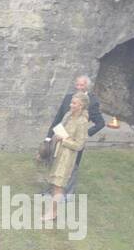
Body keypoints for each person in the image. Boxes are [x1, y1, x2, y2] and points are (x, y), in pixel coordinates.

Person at [47, 74, 105, 196]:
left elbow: (100, 123)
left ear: (87, 86)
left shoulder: (92, 102)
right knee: (55, 165)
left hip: (74, 143)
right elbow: (58, 118)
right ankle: (51, 191)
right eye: (77, 84)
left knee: (71, 167)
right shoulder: (68, 98)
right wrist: (49, 137)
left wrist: (84, 135)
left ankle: (67, 194)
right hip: (60, 140)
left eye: (82, 85)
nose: (79, 87)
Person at [43, 92, 89, 222]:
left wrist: (64, 139)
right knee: (53, 183)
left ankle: (53, 213)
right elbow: (60, 129)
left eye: (74, 103)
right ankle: (52, 210)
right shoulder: (68, 115)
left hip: (67, 158)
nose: (71, 105)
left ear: (81, 106)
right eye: (71, 102)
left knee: (59, 185)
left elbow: (79, 145)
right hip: (57, 153)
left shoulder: (82, 122)